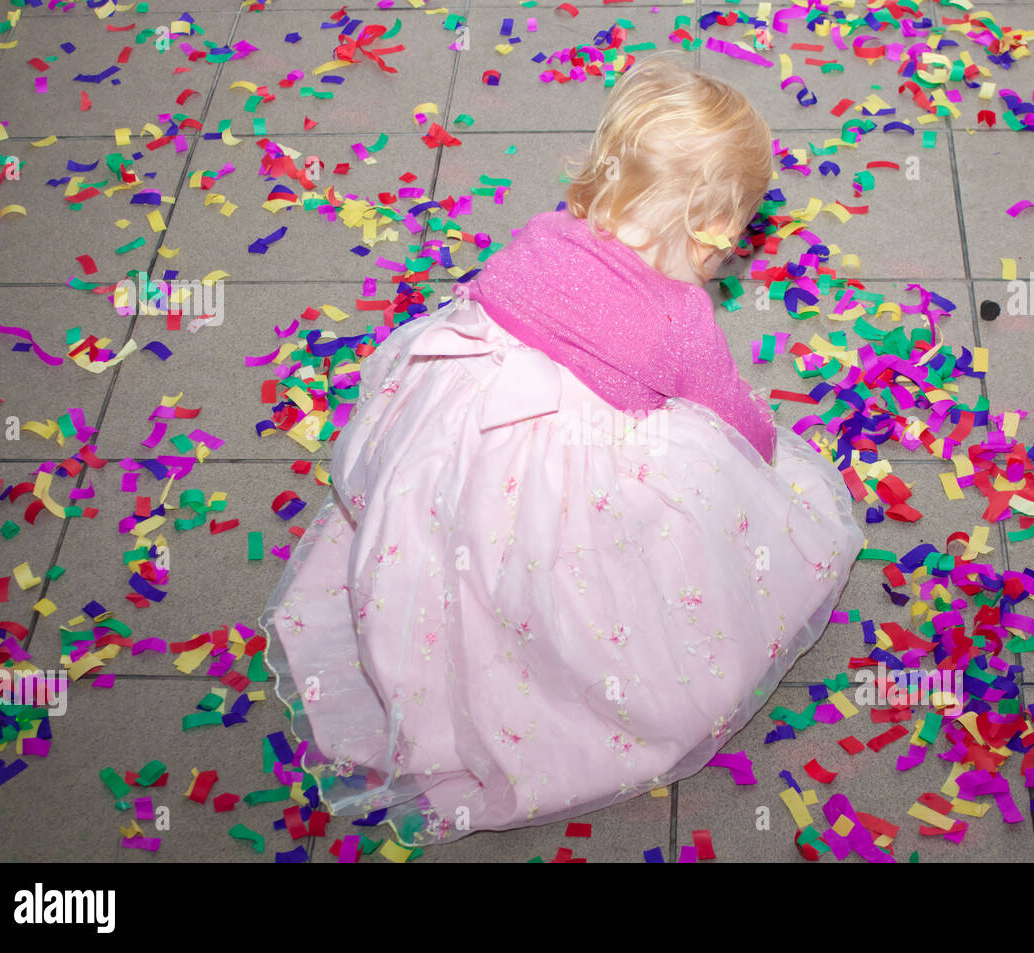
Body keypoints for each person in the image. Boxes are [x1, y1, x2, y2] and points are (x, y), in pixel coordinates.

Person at [259, 55, 865, 847]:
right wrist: (762, 459)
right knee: (617, 551)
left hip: (462, 444)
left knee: (467, 567)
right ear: (712, 230)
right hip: (564, 481)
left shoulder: (545, 233)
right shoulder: (682, 317)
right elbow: (732, 417)